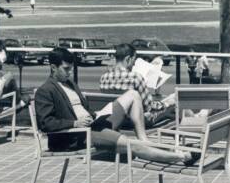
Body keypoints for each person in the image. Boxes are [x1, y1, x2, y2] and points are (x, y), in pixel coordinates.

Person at [35, 47, 194, 164]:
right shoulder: (45, 90)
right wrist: (74, 123)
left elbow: (82, 109)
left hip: (93, 123)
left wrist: (95, 114)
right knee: (132, 146)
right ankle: (181, 156)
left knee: (133, 94)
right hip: (79, 134)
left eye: (70, 69)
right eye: (66, 69)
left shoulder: (70, 83)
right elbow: (45, 123)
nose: (69, 72)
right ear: (53, 67)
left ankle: (143, 137)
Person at [98, 43, 176, 128]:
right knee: (175, 106)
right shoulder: (135, 77)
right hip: (134, 122)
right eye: (133, 61)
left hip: (113, 120)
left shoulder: (103, 78)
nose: (134, 65)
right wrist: (167, 103)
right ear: (128, 59)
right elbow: (149, 107)